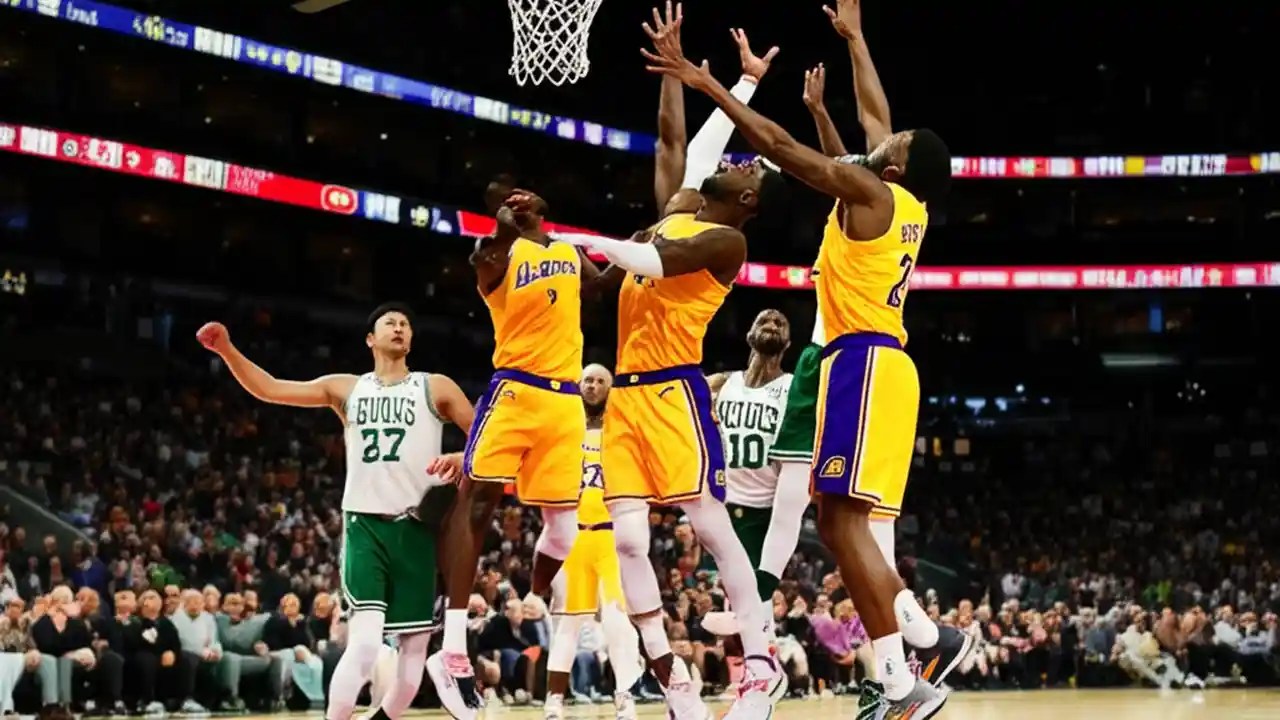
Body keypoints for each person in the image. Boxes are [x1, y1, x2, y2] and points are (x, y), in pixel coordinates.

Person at [641, 0, 955, 715]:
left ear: (898, 162)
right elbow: (877, 117)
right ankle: (903, 672)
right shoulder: (904, 200)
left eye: (895, 138)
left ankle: (913, 656)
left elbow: (780, 149)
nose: (884, 131)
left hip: (863, 361)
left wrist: (709, 84)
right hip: (876, 364)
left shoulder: (873, 189)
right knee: (839, 521)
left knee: (844, 524)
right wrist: (857, 40)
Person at [560, 10, 785, 719]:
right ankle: (671, 674)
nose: (737, 161)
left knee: (710, 528)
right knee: (628, 538)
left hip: (674, 394)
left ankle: (760, 659)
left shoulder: (725, 245)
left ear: (746, 199)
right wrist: (701, 78)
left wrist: (583, 240)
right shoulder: (687, 201)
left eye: (748, 168)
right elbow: (682, 140)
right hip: (625, 397)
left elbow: (656, 260)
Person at [195, 302, 477, 720]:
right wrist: (227, 351)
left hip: (418, 529)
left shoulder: (435, 386)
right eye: (389, 323)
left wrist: (457, 454)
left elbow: (484, 442)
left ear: (412, 338)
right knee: (363, 644)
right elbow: (271, 388)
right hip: (365, 525)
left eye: (405, 324)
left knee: (413, 656)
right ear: (370, 338)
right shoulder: (345, 387)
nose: (399, 328)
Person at [544, 364, 643, 720]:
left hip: (611, 536)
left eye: (601, 380)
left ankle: (624, 695)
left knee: (618, 622)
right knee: (568, 623)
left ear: (611, 389)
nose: (593, 385)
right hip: (573, 537)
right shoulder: (564, 430)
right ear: (578, 385)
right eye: (588, 379)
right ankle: (553, 699)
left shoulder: (622, 432)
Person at [699, 309, 794, 639]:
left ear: (788, 343)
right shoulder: (722, 383)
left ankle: (764, 667)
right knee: (735, 600)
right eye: (763, 320)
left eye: (778, 323)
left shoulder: (792, 388)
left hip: (763, 509)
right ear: (749, 335)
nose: (771, 324)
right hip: (720, 503)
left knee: (755, 596)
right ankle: (755, 672)